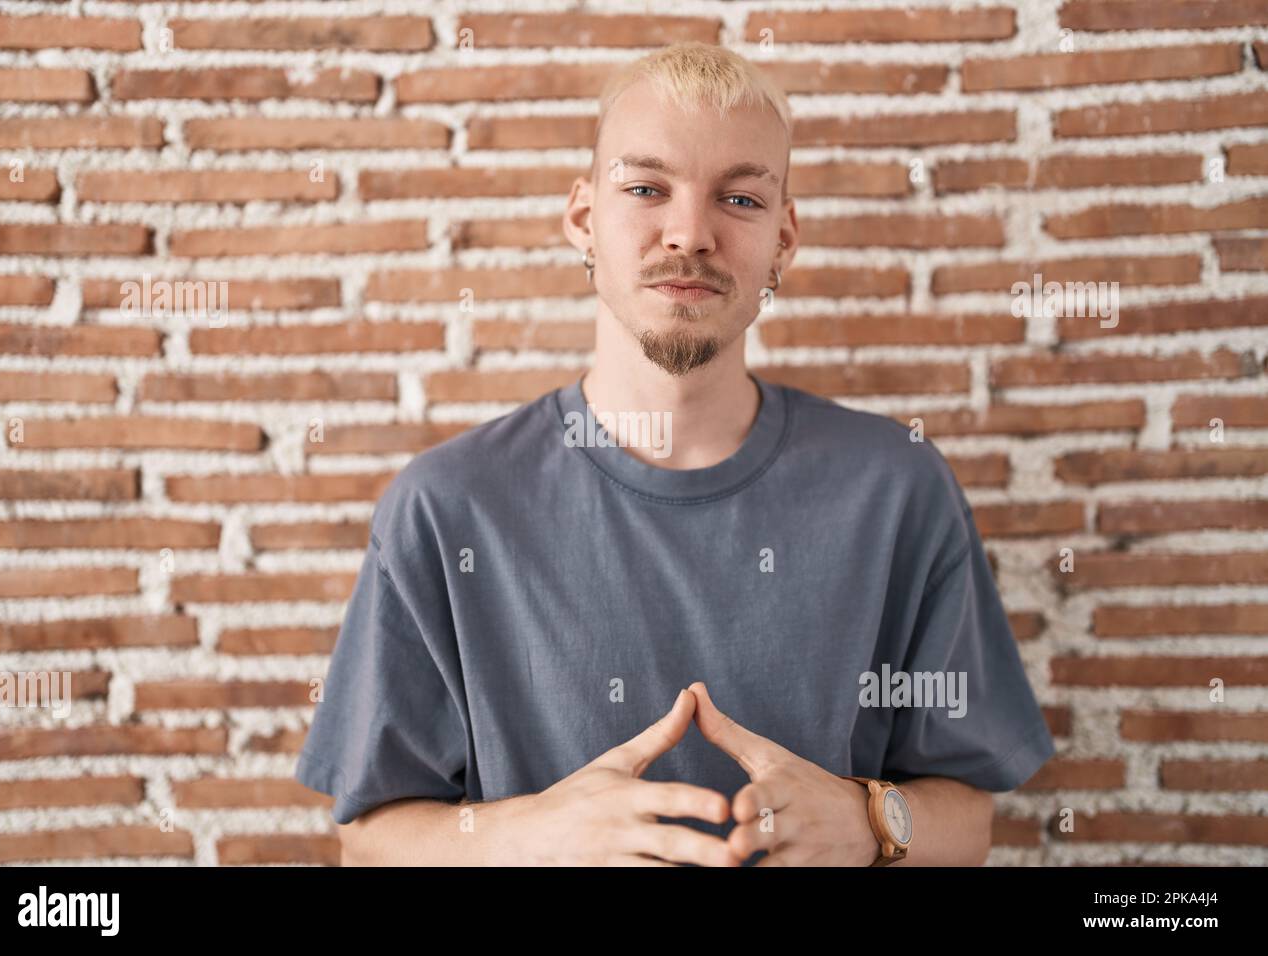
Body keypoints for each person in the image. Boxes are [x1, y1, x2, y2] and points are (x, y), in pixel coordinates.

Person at [294, 41, 1055, 866]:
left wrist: (870, 822)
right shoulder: (446, 506)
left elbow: (967, 823)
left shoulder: (897, 486)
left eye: (739, 198)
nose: (691, 234)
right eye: (646, 189)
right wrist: (536, 836)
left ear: (784, 238)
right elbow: (367, 839)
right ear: (584, 219)